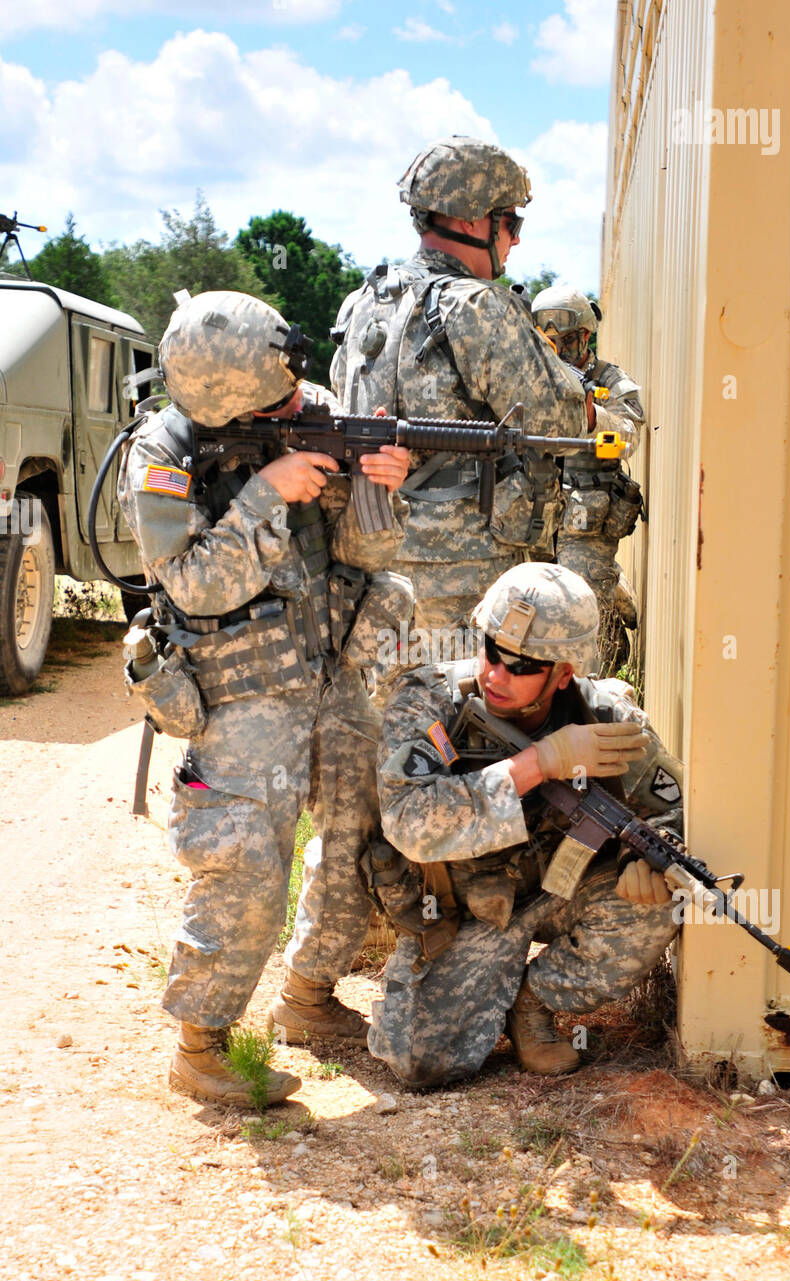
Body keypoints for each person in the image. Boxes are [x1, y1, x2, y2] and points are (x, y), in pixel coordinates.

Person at [118, 290, 410, 1106]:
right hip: (244, 689)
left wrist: (378, 485)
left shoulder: (312, 412)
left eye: (293, 384)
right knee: (245, 860)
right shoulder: (163, 456)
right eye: (278, 397)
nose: (299, 400)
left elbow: (366, 549)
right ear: (229, 402)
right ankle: (201, 1048)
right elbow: (198, 585)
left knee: (357, 836)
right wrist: (265, 493)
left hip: (332, 667)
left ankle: (309, 999)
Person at [366, 563, 683, 1088]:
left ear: (563, 673)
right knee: (423, 1065)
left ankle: (533, 1003)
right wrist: (541, 763)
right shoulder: (429, 702)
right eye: (491, 650)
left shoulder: (604, 719)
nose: (495, 674)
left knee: (662, 898)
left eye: (521, 666)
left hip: (560, 891)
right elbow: (410, 822)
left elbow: (668, 805)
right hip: (467, 908)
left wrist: (643, 857)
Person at [329, 136, 617, 660]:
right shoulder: (479, 307)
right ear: (468, 220)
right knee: (468, 721)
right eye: (510, 222)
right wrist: (598, 406)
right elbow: (561, 421)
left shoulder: (364, 302)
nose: (515, 241)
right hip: (467, 573)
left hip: (376, 561)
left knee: (397, 720)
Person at [531, 285, 646, 668]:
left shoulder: (607, 380)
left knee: (587, 617)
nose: (556, 352)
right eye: (546, 342)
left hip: (586, 522)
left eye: (562, 342)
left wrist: (590, 413)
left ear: (583, 336)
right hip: (534, 516)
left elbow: (628, 439)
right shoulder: (529, 380)